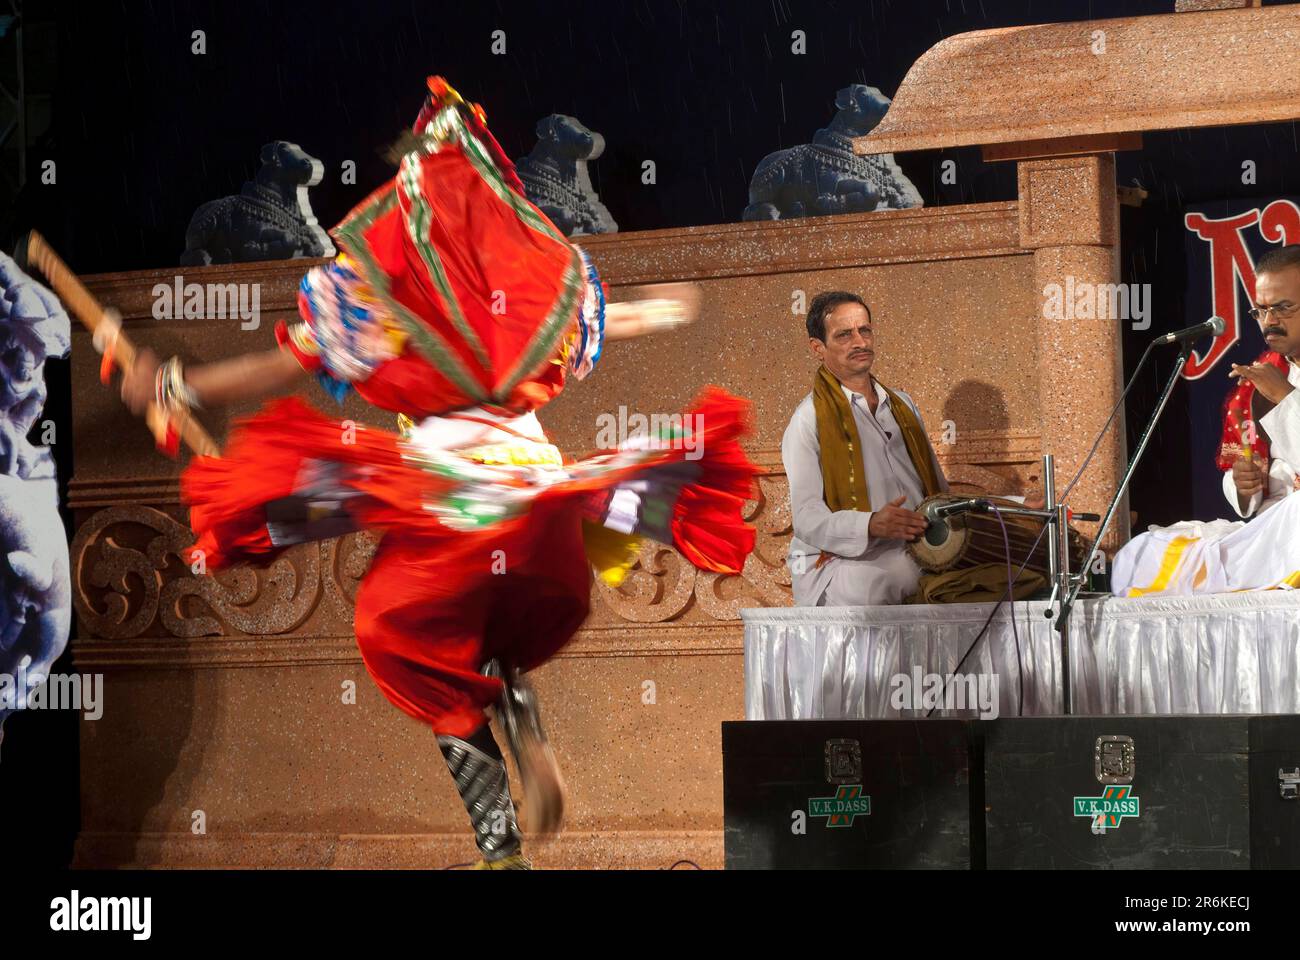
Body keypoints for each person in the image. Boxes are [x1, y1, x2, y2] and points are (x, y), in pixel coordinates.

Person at [119, 77, 758, 868]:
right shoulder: (538, 280)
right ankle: (513, 686)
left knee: (399, 631)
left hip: (448, 502)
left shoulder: (388, 286)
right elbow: (611, 319)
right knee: (496, 604)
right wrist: (661, 310)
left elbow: (285, 363)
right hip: (540, 510)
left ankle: (498, 840)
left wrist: (181, 386)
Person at [1112, 243, 1300, 597]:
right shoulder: (1256, 380)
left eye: (1283, 307)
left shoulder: (1271, 385)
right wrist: (1245, 486)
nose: (1270, 321)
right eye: (1261, 310)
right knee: (1141, 555)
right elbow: (1245, 483)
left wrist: (1286, 399)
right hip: (1269, 532)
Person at [781, 290, 947, 606]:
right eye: (844, 335)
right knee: (893, 577)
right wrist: (870, 524)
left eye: (864, 330)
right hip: (848, 561)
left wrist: (1018, 506)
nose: (860, 342)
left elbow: (940, 492)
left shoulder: (902, 404)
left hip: (918, 545)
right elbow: (806, 518)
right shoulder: (809, 419)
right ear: (818, 347)